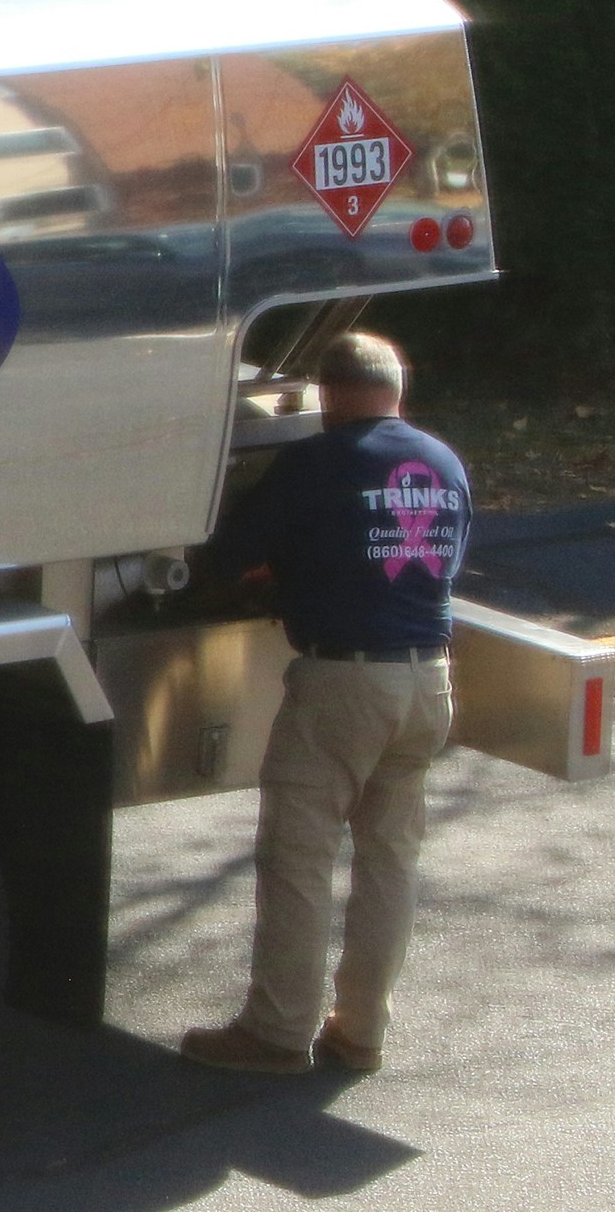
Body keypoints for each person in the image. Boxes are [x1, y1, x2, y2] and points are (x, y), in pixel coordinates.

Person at [181, 330, 470, 1076]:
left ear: (328, 395)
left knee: (300, 858)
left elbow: (224, 554)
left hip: (346, 681)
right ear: (397, 388)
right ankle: (360, 1031)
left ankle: (277, 1033)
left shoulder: (316, 462)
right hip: (430, 679)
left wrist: (272, 581)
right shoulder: (444, 464)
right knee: (389, 860)